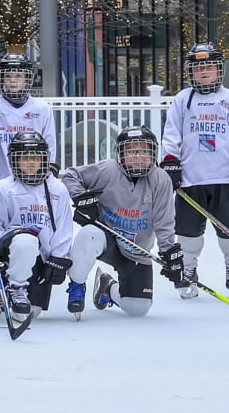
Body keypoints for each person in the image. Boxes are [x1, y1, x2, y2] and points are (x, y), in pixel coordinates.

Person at [160, 43, 229, 297]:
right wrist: (170, 161)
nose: (203, 73)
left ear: (218, 69)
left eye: (209, 67)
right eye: (198, 68)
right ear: (191, 72)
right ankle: (188, 271)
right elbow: (171, 134)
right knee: (188, 235)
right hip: (191, 180)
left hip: (225, 180)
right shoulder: (183, 99)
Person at [62, 126, 182, 318]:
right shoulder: (108, 170)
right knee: (88, 234)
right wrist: (81, 196)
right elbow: (70, 175)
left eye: (144, 151)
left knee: (138, 308)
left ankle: (107, 287)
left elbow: (164, 221)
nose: (138, 156)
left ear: (154, 154)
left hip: (136, 251)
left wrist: (169, 253)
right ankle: (77, 284)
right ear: (121, 154)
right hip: (106, 239)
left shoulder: (161, 180)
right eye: (132, 151)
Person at [0, 132, 74, 321]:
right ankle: (15, 286)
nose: (30, 162)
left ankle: (21, 287)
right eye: (24, 157)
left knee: (32, 313)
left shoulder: (57, 189)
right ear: (14, 160)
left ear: (44, 160)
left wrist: (58, 259)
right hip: (11, 252)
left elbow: (63, 228)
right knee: (26, 240)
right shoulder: (5, 187)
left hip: (41, 256)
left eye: (35, 157)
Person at [0, 53, 56, 183]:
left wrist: (50, 170)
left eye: (18, 76)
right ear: (1, 79)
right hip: (3, 180)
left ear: (27, 79)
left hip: (35, 177)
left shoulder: (42, 108)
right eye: (8, 76)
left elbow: (49, 144)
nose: (13, 80)